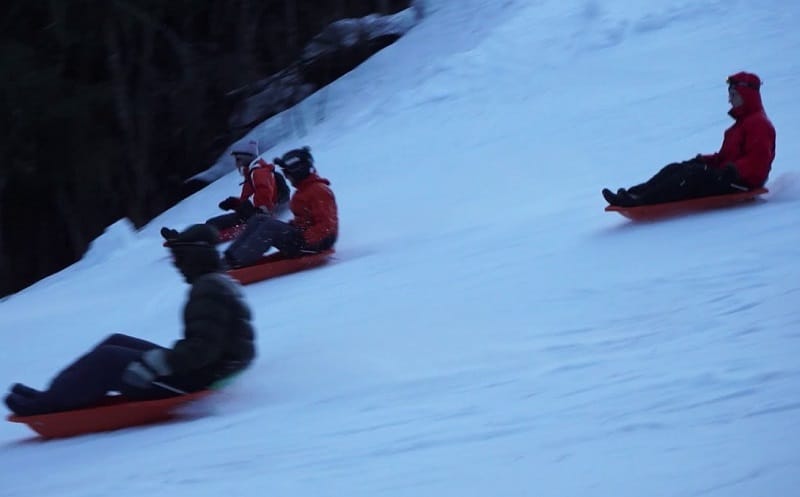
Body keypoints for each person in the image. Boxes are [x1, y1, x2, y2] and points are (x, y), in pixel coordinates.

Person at [4, 224, 256, 416]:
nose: (176, 266)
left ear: (195, 258)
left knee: (108, 359)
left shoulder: (208, 289)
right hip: (208, 369)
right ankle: (53, 394)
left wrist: (156, 365)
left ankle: (47, 406)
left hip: (199, 378)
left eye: (179, 259)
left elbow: (202, 350)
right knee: (116, 341)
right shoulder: (214, 282)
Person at [602, 71, 776, 207]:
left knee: (692, 175)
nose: (729, 100)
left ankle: (642, 202)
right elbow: (725, 157)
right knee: (678, 168)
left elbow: (758, 162)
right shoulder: (741, 125)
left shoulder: (759, 124)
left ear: (746, 96)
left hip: (742, 183)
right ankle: (633, 194)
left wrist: (732, 171)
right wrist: (702, 159)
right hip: (728, 177)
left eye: (733, 95)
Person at [223, 146, 338, 268]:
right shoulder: (304, 190)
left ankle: (235, 263)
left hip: (316, 243)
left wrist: (303, 239)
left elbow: (326, 226)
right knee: (259, 219)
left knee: (270, 227)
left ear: (299, 171)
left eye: (287, 173)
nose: (287, 177)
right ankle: (229, 257)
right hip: (307, 238)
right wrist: (293, 226)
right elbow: (305, 219)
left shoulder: (319, 191)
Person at [161, 139, 289, 241]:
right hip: (251, 213)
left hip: (255, 216)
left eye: (238, 159)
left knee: (214, 224)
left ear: (247, 157)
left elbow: (264, 191)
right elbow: (250, 199)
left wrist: (262, 211)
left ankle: (183, 238)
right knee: (213, 222)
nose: (237, 163)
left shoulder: (258, 172)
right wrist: (234, 203)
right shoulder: (253, 172)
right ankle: (183, 235)